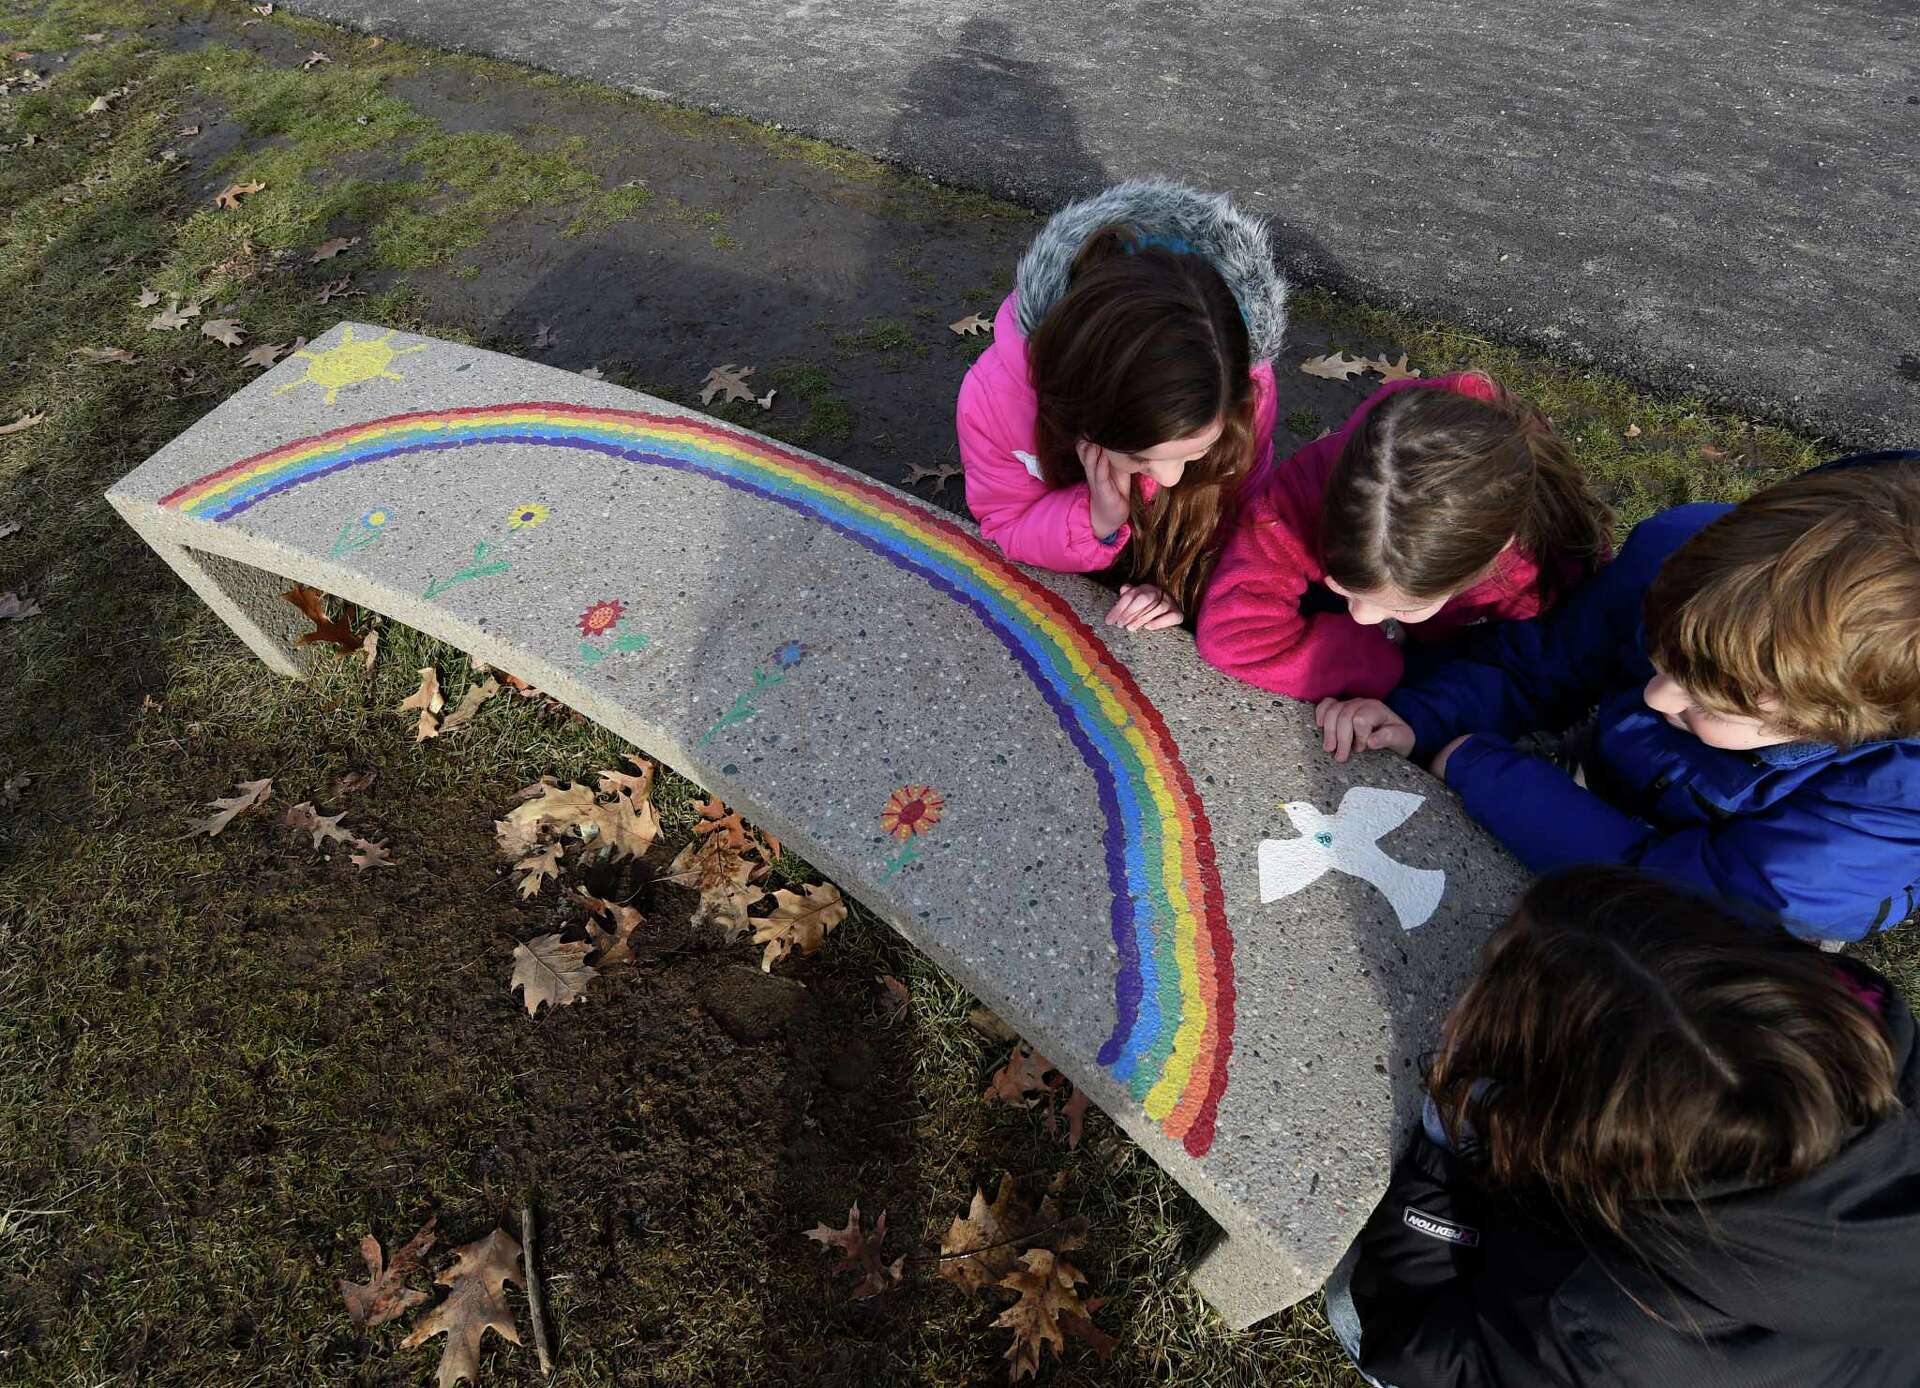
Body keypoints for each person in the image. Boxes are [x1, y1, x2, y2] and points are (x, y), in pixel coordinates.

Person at [1324, 866, 1920, 1388]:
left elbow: (1414, 1348)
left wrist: (1446, 1155)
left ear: (1564, 1126)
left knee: (1353, 1305)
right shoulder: (1880, 1030)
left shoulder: (1600, 1335)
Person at [1315, 451, 1920, 942]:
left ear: (1836, 724)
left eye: (1705, 704)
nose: (1656, 697)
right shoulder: (1684, 564)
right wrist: (1424, 717)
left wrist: (1482, 769)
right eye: (1657, 657)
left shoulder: (1876, 816)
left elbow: (1682, 896)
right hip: (1663, 792)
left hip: (1737, 897)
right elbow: (1549, 659)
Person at [956, 179, 1285, 630]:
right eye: (1140, 456)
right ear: (1081, 413)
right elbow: (1005, 521)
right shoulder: (998, 400)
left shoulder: (1243, 386)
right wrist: (1094, 519)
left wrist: (1185, 592)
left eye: (1199, 453)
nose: (1171, 478)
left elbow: (1244, 521)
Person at [1196, 375, 1611, 700]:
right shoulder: (1304, 492)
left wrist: (1411, 706)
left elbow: (1523, 674)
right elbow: (1233, 635)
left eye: (1410, 607)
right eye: (1342, 587)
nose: (1362, 616)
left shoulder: (1541, 570)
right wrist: (1378, 664)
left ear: (1494, 556)